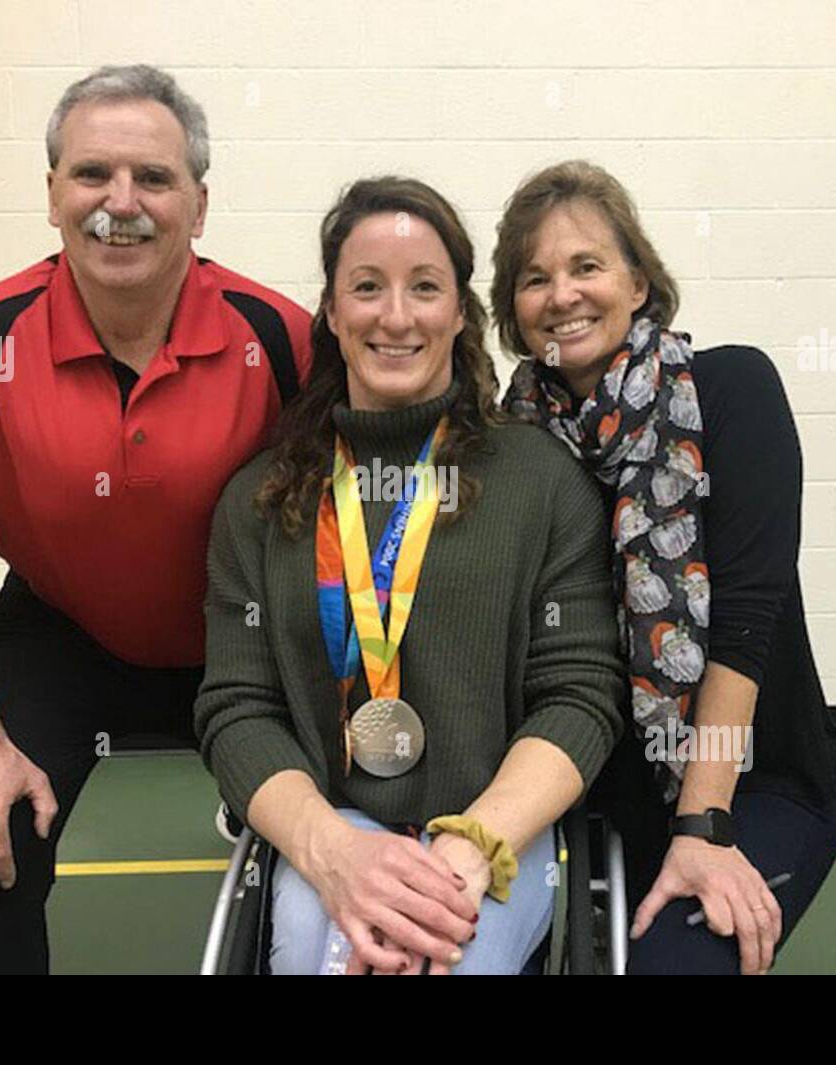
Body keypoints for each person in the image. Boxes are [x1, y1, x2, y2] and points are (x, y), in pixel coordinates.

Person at [0, 64, 312, 974]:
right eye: (91, 175)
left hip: (243, 641)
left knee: (324, 852)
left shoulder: (280, 340)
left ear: (198, 204)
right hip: (60, 634)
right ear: (51, 195)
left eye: (153, 178)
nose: (122, 202)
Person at [194, 176, 625, 975]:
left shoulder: (541, 481)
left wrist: (471, 849)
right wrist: (332, 855)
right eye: (367, 287)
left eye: (424, 287)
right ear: (330, 308)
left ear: (460, 311)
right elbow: (236, 709)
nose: (396, 316)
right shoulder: (259, 503)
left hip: (502, 832)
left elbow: (581, 693)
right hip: (330, 831)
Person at [492, 160, 836, 975]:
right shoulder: (509, 446)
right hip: (586, 795)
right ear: (514, 313)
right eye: (534, 277)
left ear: (640, 282)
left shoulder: (731, 390)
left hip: (751, 781)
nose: (563, 294)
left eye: (587, 266)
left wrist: (704, 824)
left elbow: (746, 624)